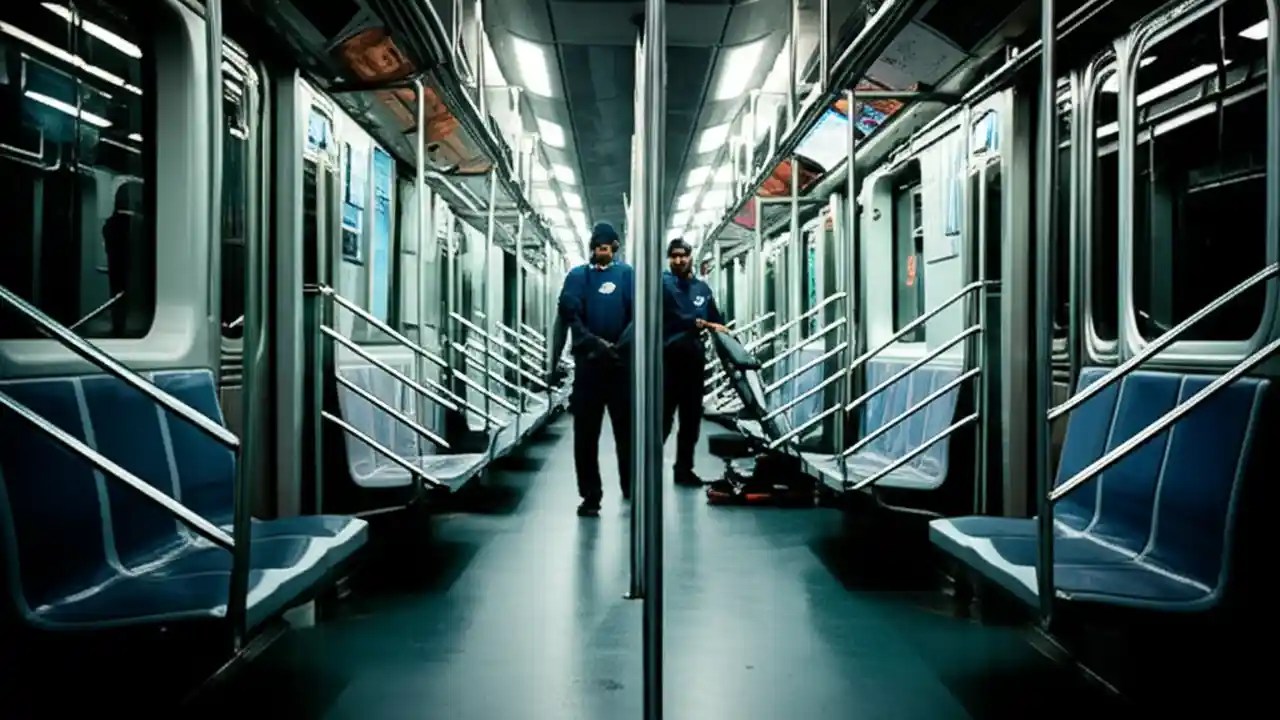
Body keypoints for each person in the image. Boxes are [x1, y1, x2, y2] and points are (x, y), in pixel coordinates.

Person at [558, 222, 634, 517]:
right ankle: (590, 494)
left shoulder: (628, 275)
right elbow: (570, 314)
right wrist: (594, 343)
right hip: (589, 366)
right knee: (585, 435)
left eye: (606, 246)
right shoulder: (578, 276)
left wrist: (619, 346)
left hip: (621, 366)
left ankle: (631, 486)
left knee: (627, 432)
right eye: (596, 246)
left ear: (615, 247)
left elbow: (638, 315)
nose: (600, 250)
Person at [660, 237, 727, 485]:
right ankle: (648, 469)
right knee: (662, 422)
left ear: (690, 257)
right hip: (666, 364)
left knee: (690, 422)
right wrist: (695, 323)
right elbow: (680, 317)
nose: (678, 260)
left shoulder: (702, 290)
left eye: (683, 255)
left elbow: (717, 321)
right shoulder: (662, 285)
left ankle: (683, 469)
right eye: (674, 256)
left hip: (694, 364)